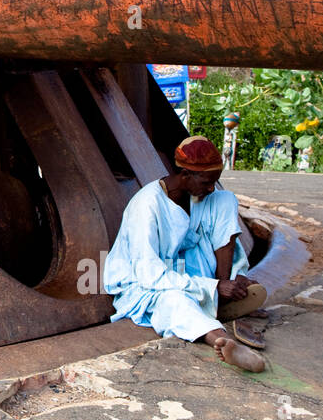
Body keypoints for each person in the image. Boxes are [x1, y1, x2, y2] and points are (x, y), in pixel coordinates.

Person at [102, 135, 268, 372]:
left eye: (215, 181)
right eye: (206, 182)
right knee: (173, 301)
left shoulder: (204, 196)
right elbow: (150, 276)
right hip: (148, 280)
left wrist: (230, 278)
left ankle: (224, 293)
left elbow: (221, 233)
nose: (211, 188)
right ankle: (222, 339)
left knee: (225, 199)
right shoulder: (147, 205)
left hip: (187, 268)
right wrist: (209, 286)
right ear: (185, 175)